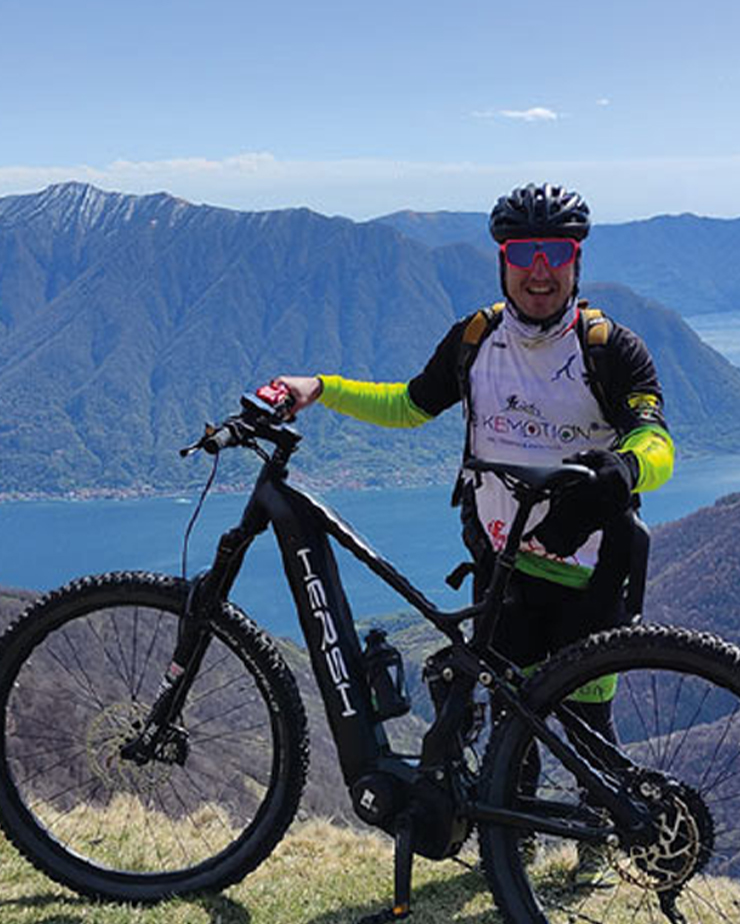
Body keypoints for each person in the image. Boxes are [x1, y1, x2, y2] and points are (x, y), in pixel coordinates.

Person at [274, 182, 674, 888]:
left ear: (577, 259)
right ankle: (510, 850)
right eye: (524, 252)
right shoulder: (473, 339)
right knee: (509, 724)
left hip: (592, 570)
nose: (539, 269)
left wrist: (618, 473)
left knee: (586, 722)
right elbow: (407, 405)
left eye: (555, 252)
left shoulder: (609, 349)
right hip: (502, 563)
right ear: (501, 259)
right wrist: (321, 387)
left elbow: (657, 442)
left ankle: (597, 847)